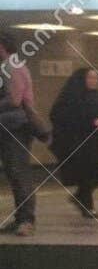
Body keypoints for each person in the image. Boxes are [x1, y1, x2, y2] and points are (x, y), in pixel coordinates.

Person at [49, 68, 98, 218]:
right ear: (82, 79)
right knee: (86, 176)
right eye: (90, 78)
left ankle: (79, 197)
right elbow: (60, 116)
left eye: (95, 78)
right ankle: (87, 207)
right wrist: (91, 122)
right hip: (79, 142)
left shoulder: (97, 95)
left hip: (97, 142)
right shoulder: (70, 97)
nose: (93, 81)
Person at [0, 34, 48, 237]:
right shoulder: (7, 66)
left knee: (19, 173)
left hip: (16, 127)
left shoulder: (13, 67)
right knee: (14, 173)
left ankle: (27, 220)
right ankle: (21, 218)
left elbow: (15, 99)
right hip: (8, 126)